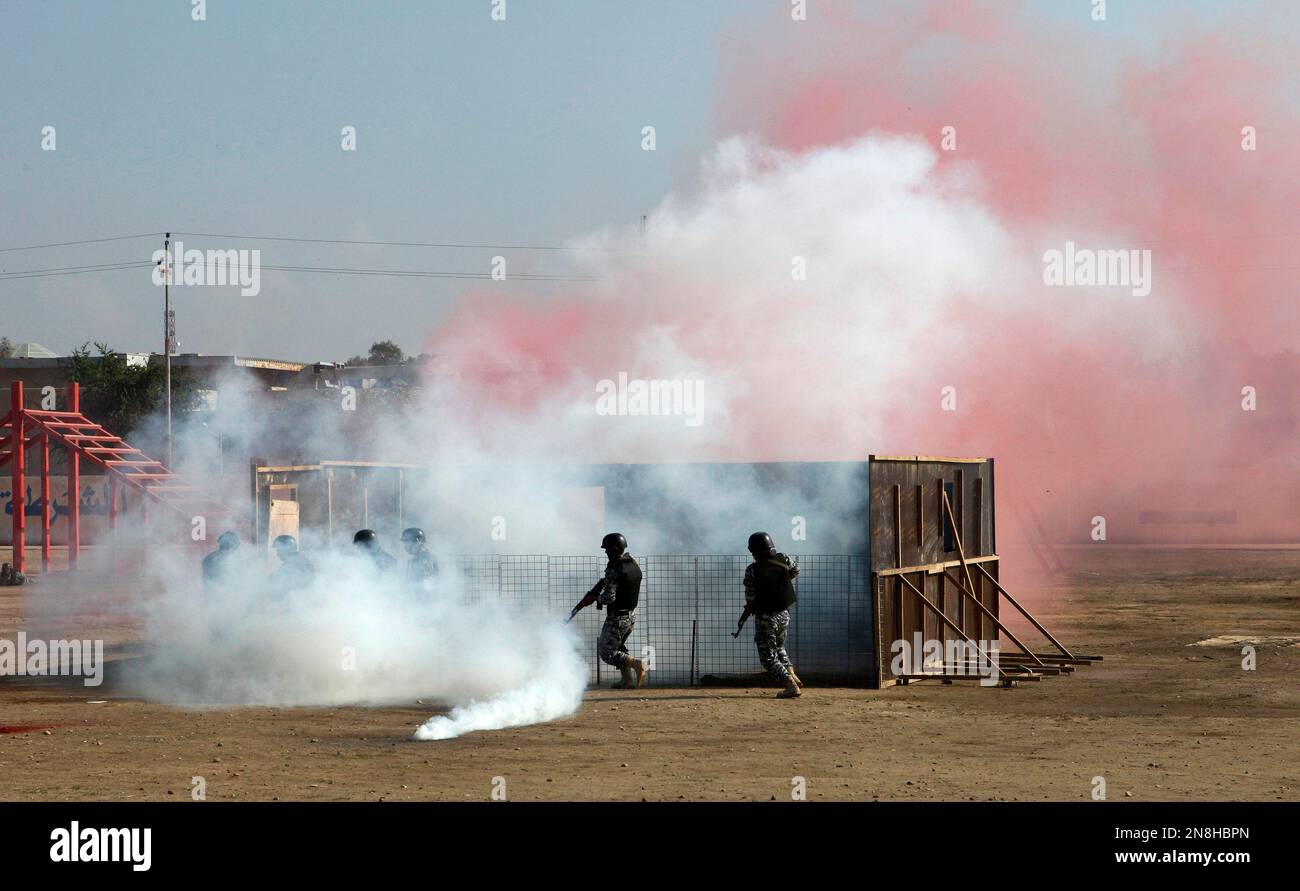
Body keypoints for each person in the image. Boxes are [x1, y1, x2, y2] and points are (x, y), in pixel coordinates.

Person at [568, 532, 647, 689]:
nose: (605, 552)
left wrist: (594, 599)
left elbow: (609, 598)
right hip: (630, 616)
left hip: (617, 618)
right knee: (618, 647)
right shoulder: (633, 564)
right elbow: (621, 583)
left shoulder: (614, 569)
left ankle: (637, 664)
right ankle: (627, 680)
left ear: (615, 549)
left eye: (607, 549)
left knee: (607, 653)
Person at [741, 531, 803, 698]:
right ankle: (791, 674)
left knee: (767, 658)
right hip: (784, 613)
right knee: (779, 647)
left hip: (766, 617)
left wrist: (751, 607)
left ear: (754, 551)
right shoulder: (783, 559)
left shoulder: (752, 570)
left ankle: (790, 685)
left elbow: (751, 598)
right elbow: (795, 570)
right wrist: (780, 581)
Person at [400, 527, 438, 595]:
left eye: (407, 542)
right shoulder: (420, 557)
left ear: (417, 542)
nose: (405, 546)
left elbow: (427, 583)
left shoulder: (425, 558)